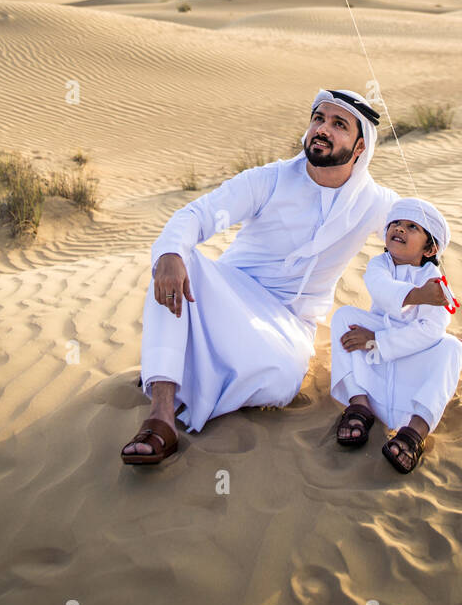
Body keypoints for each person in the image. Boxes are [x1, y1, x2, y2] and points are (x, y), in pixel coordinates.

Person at [120, 88, 399, 464]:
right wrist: (169, 254)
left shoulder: (376, 203)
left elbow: (416, 247)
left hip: (291, 323)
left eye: (338, 125)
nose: (323, 129)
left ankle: (181, 365)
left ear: (361, 146)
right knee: (181, 262)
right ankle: (162, 415)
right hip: (230, 295)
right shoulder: (270, 179)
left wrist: (426, 310)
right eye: (318, 119)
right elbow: (196, 215)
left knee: (282, 383)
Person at [330, 197, 462, 474]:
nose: (400, 229)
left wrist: (379, 343)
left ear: (430, 247)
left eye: (412, 227)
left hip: (407, 360)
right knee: (344, 317)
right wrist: (415, 297)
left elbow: (431, 330)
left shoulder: (435, 281)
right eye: (396, 224)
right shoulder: (380, 265)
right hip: (375, 357)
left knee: (452, 347)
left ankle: (415, 432)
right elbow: (380, 289)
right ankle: (359, 406)